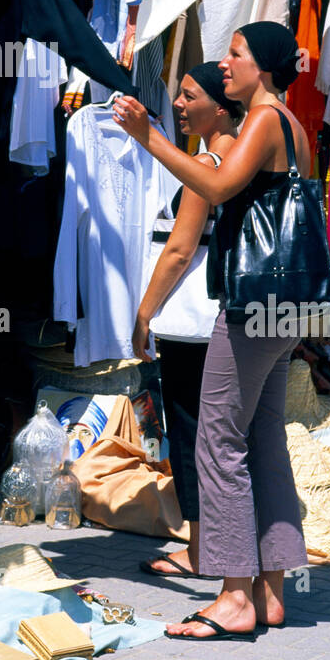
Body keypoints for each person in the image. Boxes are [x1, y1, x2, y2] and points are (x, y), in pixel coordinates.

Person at [114, 21, 309, 641]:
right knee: (264, 441)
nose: (225, 65)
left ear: (266, 67)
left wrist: (148, 138)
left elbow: (218, 183)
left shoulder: (263, 118)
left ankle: (232, 598)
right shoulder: (296, 126)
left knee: (217, 441)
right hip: (289, 302)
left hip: (253, 301)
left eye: (235, 55)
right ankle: (271, 591)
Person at [132, 63, 240, 580]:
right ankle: (222, 548)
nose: (177, 104)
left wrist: (144, 314)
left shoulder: (206, 164)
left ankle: (201, 551)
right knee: (221, 436)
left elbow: (178, 250)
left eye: (189, 96)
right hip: (227, 321)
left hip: (192, 325)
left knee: (193, 432)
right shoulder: (238, 156)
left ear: (220, 106)